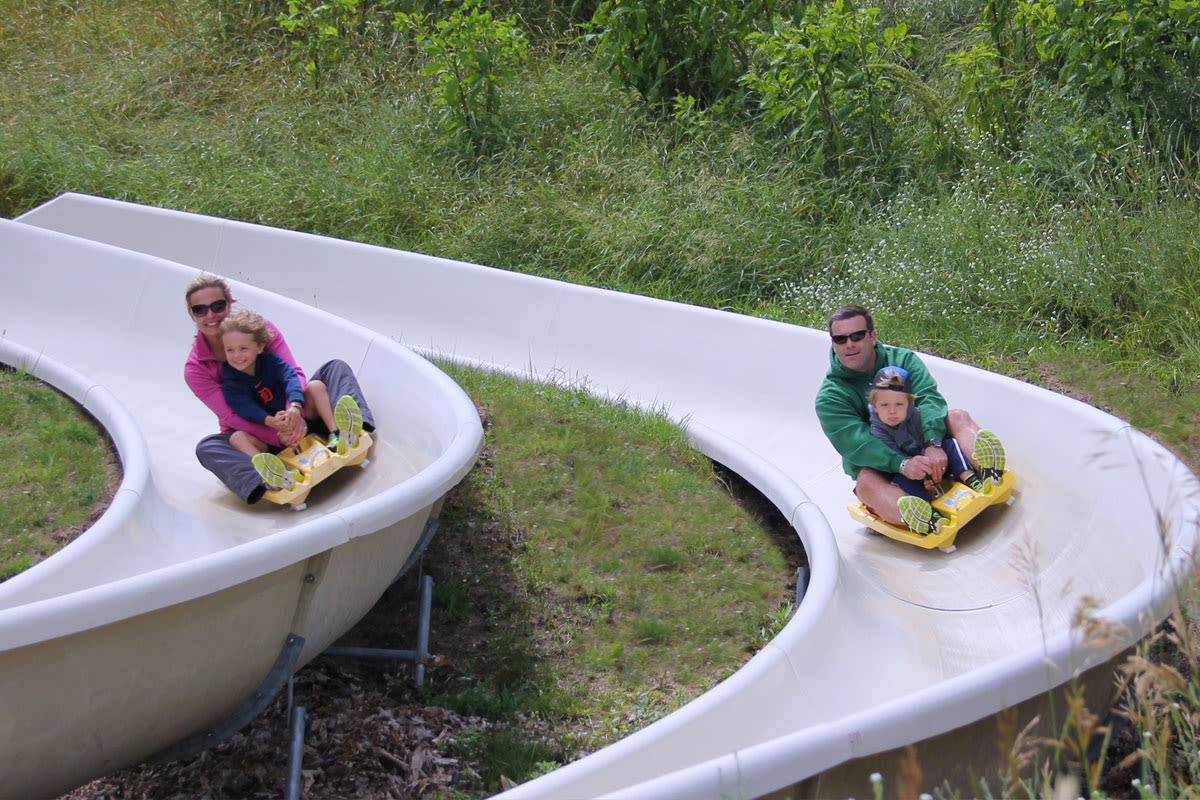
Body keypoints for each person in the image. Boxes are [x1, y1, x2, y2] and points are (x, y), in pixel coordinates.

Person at [815, 305, 1006, 535]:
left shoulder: (902, 360)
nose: (849, 344)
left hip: (925, 444)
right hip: (887, 467)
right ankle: (921, 515)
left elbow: (929, 398)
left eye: (857, 336)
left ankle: (988, 469)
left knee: (958, 417)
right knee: (866, 482)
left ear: (872, 336)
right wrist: (902, 464)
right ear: (833, 343)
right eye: (840, 339)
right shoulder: (830, 396)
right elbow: (857, 444)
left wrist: (932, 443)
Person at [184, 274, 376, 504]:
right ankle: (273, 476)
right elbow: (233, 414)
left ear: (229, 304)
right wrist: (277, 433)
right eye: (200, 310)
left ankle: (350, 430)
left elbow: (292, 374)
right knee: (208, 447)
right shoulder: (196, 368)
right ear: (192, 315)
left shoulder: (260, 331)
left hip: (298, 415)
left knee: (334, 369)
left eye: (217, 306)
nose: (211, 315)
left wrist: (295, 411)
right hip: (260, 436)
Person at [218, 309, 348, 456]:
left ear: (259, 347)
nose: (237, 355)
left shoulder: (271, 362)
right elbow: (245, 408)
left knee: (315, 387)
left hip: (300, 419)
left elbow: (290, 377)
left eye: (243, 348)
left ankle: (336, 434)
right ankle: (272, 471)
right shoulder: (230, 383)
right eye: (230, 350)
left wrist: (294, 407)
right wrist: (271, 422)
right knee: (237, 438)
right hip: (272, 436)